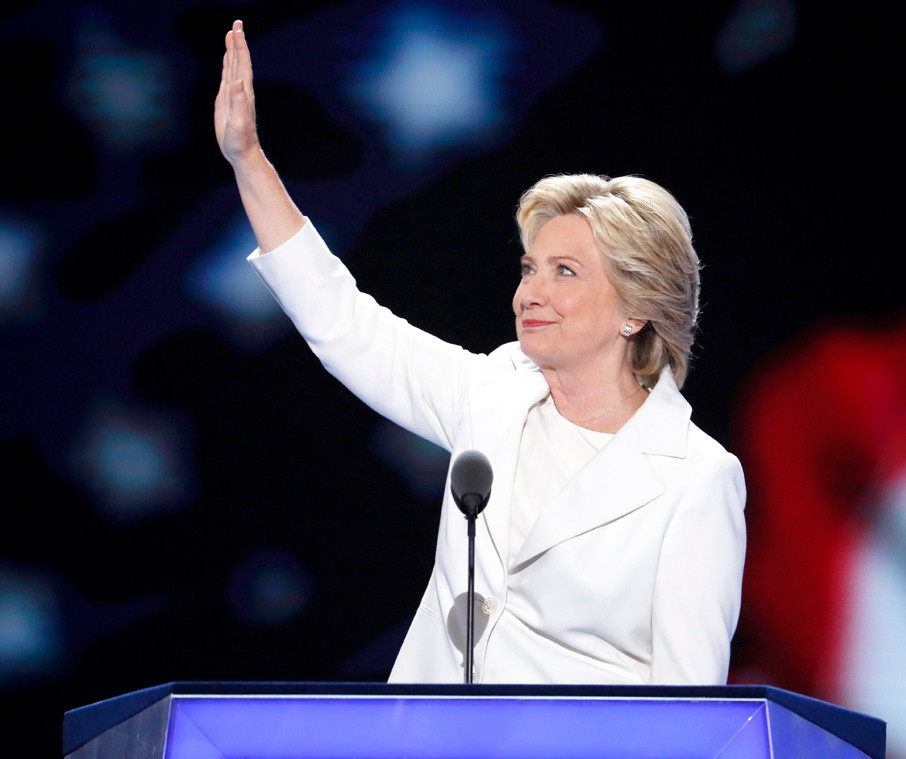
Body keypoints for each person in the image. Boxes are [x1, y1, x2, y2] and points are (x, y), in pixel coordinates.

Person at [216, 19, 746, 684]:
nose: (530, 293)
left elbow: (692, 704)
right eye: (530, 268)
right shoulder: (496, 391)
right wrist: (249, 160)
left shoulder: (697, 477)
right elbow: (348, 326)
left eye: (565, 272)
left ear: (637, 309)